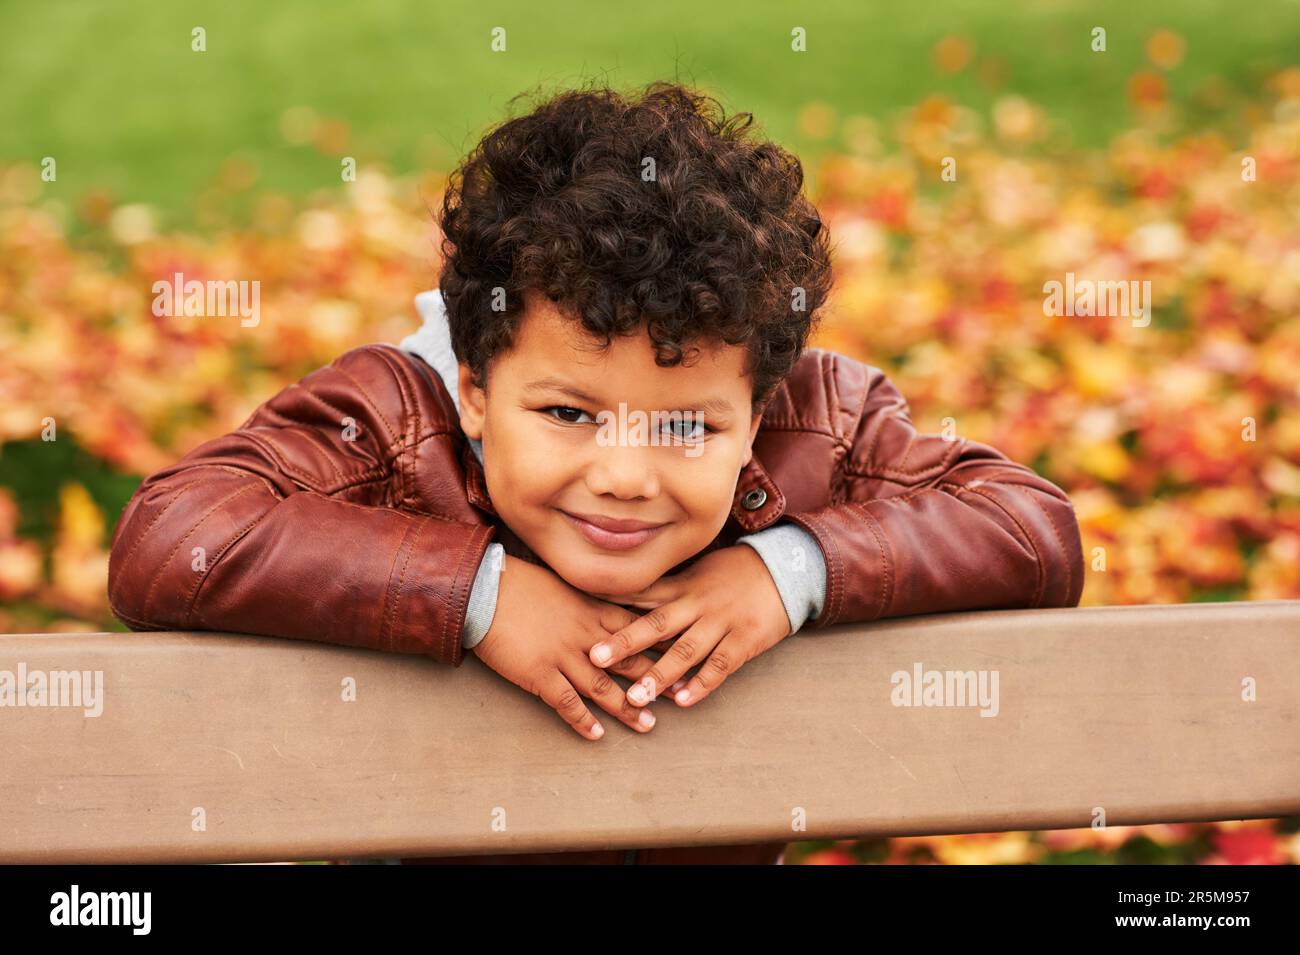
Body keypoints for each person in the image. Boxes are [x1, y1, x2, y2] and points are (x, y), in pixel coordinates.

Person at [107, 81, 1084, 865]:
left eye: (686, 426)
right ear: (477, 385)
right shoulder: (393, 419)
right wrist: (479, 596)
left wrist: (788, 573)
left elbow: (1030, 529)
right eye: (568, 414)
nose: (623, 475)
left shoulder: (819, 420)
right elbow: (173, 535)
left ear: (754, 410)